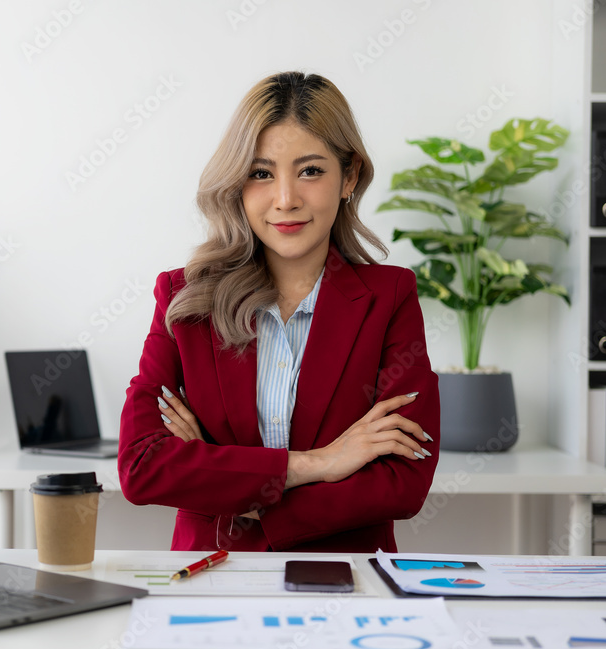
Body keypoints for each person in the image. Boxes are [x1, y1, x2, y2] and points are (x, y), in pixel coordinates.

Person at [118, 71, 439, 553]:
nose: (286, 199)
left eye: (310, 171)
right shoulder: (184, 299)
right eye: (261, 173)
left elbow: (403, 481)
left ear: (349, 177)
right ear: (237, 182)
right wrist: (322, 463)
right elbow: (142, 467)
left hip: (344, 578)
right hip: (211, 574)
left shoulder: (390, 296)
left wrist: (231, 488)